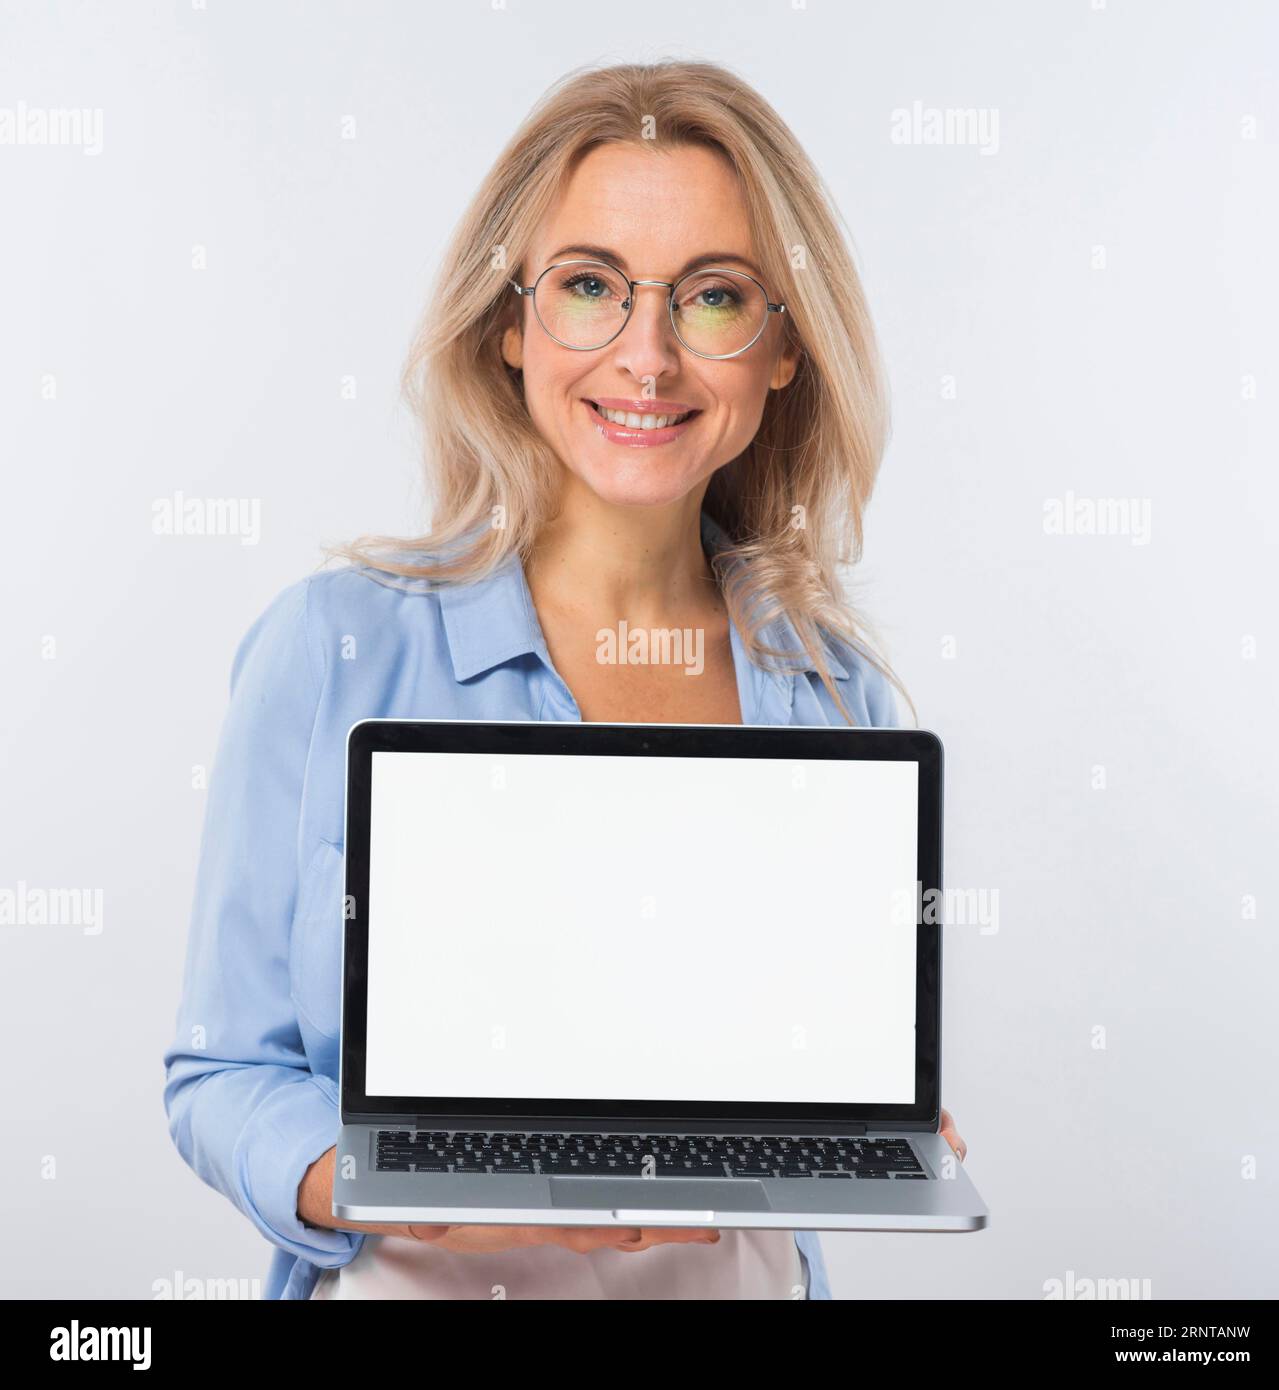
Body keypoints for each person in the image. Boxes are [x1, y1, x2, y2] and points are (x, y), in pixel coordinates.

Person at [162, 58, 966, 1301]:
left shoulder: (828, 689)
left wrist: (865, 1117)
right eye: (589, 286)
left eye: (712, 297)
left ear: (784, 349)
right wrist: (376, 1178)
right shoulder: (332, 648)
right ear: (509, 322)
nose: (645, 357)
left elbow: (798, 1054)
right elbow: (219, 1076)